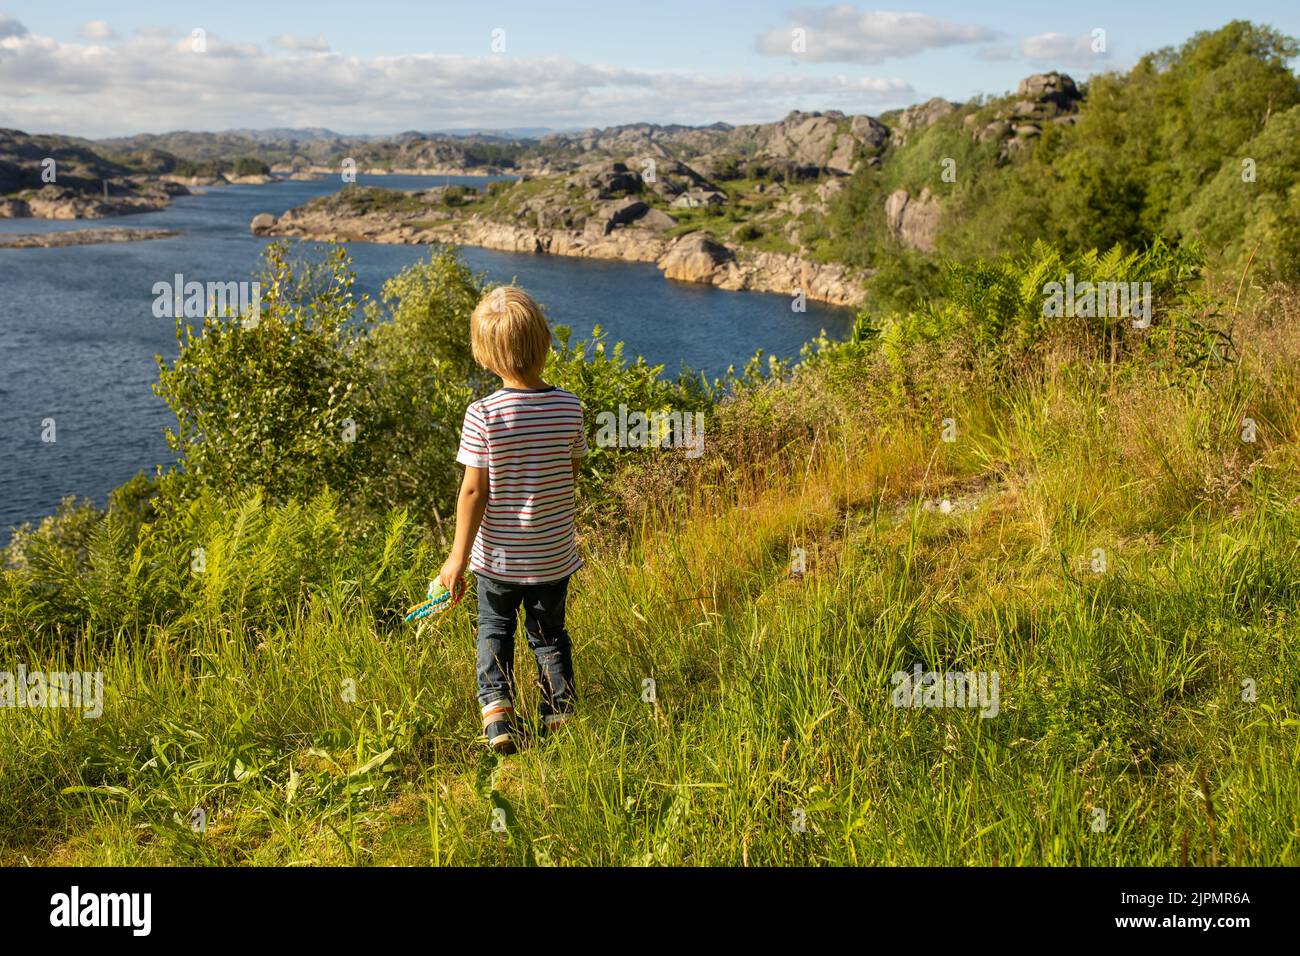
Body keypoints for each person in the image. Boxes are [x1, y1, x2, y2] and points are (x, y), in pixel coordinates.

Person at [438, 286, 586, 754]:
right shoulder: (569, 406)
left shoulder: (483, 414)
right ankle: (558, 714)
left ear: (485, 356)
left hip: (498, 558)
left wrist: (455, 560)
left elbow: (473, 491)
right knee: (549, 635)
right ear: (543, 341)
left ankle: (498, 714)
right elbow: (571, 469)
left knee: (494, 630)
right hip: (552, 554)